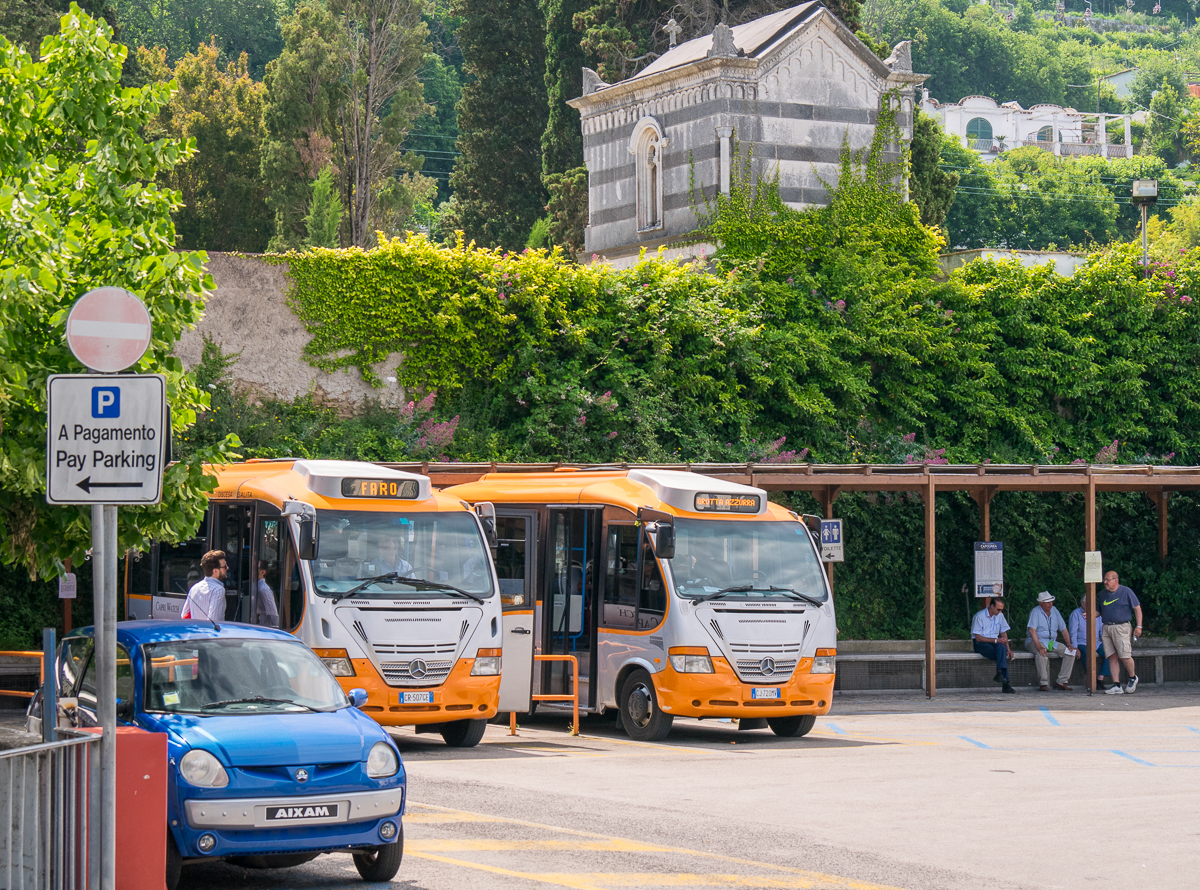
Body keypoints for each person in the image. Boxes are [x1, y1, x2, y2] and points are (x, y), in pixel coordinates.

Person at [1099, 571, 1143, 695]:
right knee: (1111, 656)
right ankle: (1116, 684)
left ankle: (1133, 677)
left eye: (1108, 580)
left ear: (1116, 580)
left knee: (1124, 655)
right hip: (1107, 627)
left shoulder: (1126, 592)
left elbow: (1137, 608)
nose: (1105, 582)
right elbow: (1099, 611)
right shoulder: (1102, 594)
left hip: (1122, 627)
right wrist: (1089, 614)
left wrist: (1139, 626)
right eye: (1104, 580)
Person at [1026, 591, 1076, 691]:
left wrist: (1069, 643)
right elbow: (1032, 630)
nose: (1050, 604)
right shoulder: (1035, 612)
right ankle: (1043, 683)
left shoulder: (1055, 611)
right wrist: (1039, 646)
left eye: (1051, 602)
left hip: (1051, 642)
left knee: (1070, 652)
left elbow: (1063, 629)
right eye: (1047, 602)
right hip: (1035, 640)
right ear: (1041, 603)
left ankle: (1061, 681)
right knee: (1041, 652)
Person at [972, 597, 1015, 693]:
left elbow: (1003, 633)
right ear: (992, 606)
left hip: (995, 643)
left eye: (1001, 610)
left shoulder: (1000, 616)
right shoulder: (979, 616)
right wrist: (996, 640)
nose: (1000, 611)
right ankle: (1006, 684)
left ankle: (1000, 672)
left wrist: (1008, 649)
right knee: (1001, 653)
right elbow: (978, 637)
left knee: (1002, 648)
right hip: (981, 643)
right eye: (998, 609)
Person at [1068, 595, 1111, 687]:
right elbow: (1073, 632)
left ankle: (1100, 678)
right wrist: (1075, 647)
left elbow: (1102, 632)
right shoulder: (1075, 614)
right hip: (1082, 643)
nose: (1092, 606)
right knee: (1087, 654)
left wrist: (1106, 643)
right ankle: (1091, 680)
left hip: (1096, 642)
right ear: (1083, 604)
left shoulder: (1097, 615)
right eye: (1088, 603)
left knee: (1109, 652)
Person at [181, 550, 228, 622]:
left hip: (196, 630)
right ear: (215, 571)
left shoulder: (194, 588)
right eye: (224, 566)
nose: (227, 568)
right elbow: (213, 620)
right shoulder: (218, 590)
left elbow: (184, 615)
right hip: (209, 632)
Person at [254, 560, 280, 628]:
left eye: (256, 568)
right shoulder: (256, 586)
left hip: (265, 627)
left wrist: (277, 628)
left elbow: (273, 613)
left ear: (263, 572)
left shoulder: (264, 589)